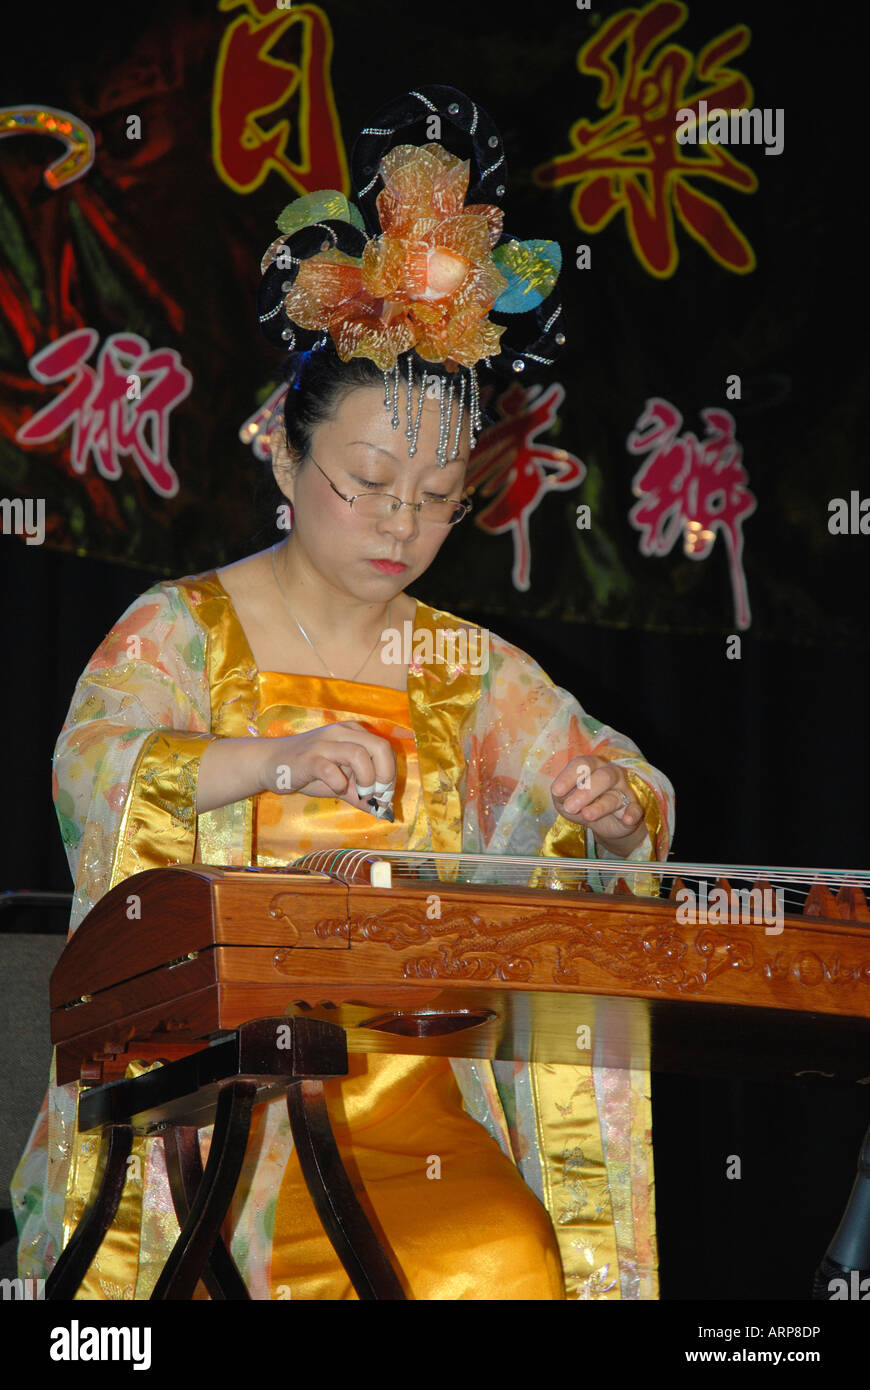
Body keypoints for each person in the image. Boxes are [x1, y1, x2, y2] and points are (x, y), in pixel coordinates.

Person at [13, 86, 675, 1300]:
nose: (399, 524)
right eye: (369, 481)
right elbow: (95, 765)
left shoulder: (465, 669)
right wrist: (265, 760)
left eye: (434, 500)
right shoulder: (185, 629)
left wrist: (614, 812)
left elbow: (606, 782)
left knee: (498, 1258)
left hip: (411, 1095)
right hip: (211, 1095)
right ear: (281, 444)